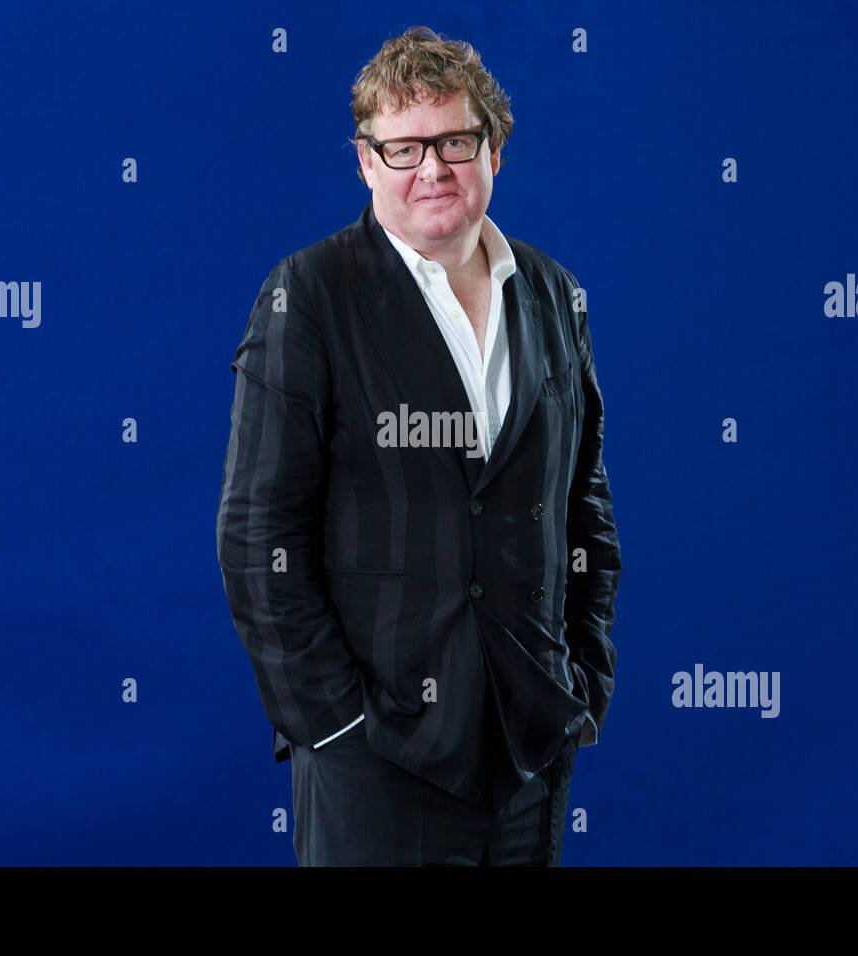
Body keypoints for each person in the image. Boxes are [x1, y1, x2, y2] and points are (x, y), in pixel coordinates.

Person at [216, 25, 620, 865]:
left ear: (494, 149)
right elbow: (258, 535)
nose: (430, 169)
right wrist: (333, 726)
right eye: (402, 149)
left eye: (454, 142)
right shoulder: (309, 297)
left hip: (528, 748)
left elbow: (585, 504)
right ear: (367, 163)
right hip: (377, 755)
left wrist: (582, 677)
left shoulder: (555, 294)